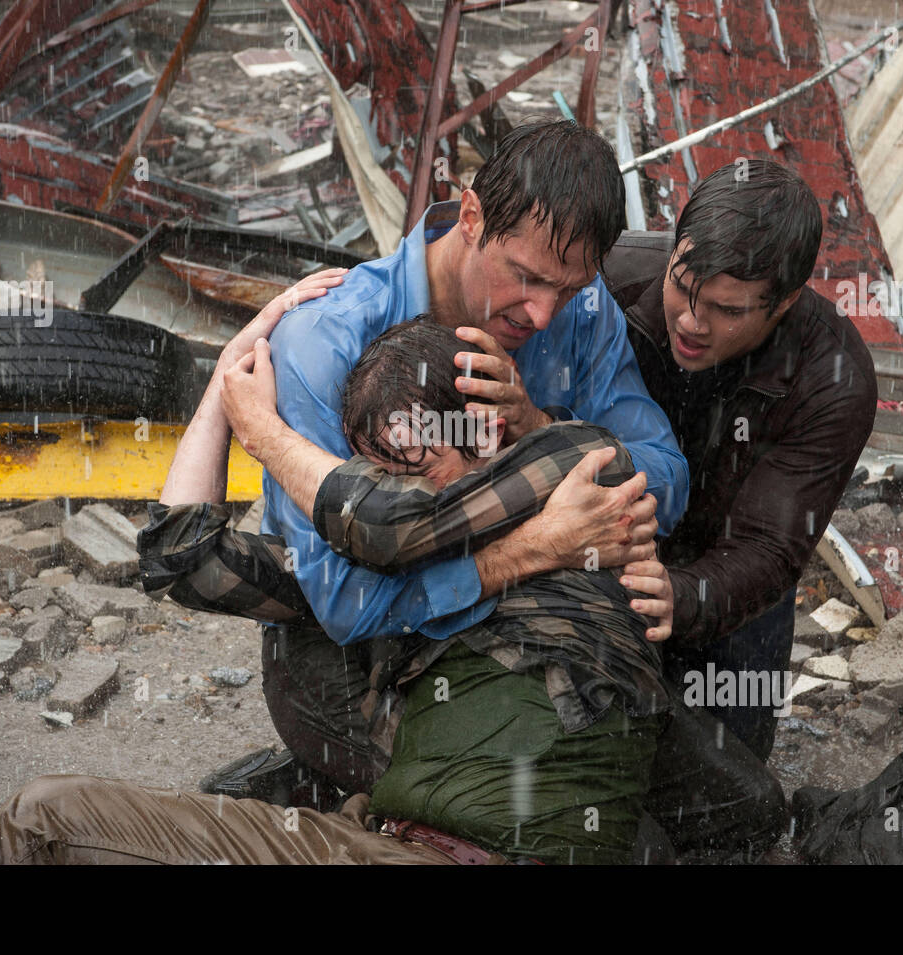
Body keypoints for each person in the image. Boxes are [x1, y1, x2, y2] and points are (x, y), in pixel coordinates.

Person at [0, 320, 783, 865]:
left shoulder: (583, 468)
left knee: (37, 824)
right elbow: (181, 558)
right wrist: (221, 390)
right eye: (377, 466)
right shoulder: (388, 582)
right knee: (41, 823)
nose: (396, 488)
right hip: (376, 843)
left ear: (483, 429)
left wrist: (265, 428)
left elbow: (385, 520)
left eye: (411, 463)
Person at [152, 119, 689, 798]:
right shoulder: (326, 340)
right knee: (535, 804)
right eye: (524, 277)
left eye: (567, 286)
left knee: (708, 800)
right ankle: (346, 787)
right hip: (353, 658)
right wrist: (541, 542)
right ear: (471, 215)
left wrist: (535, 425)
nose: (543, 314)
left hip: (533, 632)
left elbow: (666, 478)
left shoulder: (583, 313)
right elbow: (345, 600)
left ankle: (355, 790)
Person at [598, 158, 878, 760]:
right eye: (681, 286)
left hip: (730, 584)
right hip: (599, 541)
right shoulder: (607, 275)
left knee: (733, 800)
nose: (690, 323)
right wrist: (352, 287)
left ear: (784, 302)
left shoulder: (832, 380)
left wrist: (685, 596)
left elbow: (770, 548)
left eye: (727, 310)